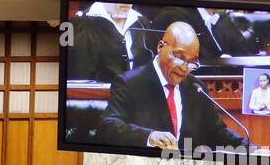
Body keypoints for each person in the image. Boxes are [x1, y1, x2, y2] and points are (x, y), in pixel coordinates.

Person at [95, 21, 249, 150]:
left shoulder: (196, 88)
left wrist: (254, 151)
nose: (184, 67)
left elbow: (218, 132)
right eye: (179, 57)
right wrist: (149, 137)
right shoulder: (130, 83)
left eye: (192, 62)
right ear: (161, 47)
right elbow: (108, 127)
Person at [68, 2, 152, 82]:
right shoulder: (81, 23)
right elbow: (80, 72)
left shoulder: (142, 22)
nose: (126, 3)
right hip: (98, 94)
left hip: (136, 93)